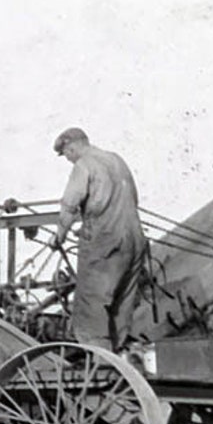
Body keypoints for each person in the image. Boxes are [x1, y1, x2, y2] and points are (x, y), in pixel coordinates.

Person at [50, 127, 147, 351]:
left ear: (71, 147)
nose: (68, 159)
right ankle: (116, 355)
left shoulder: (83, 165)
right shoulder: (116, 160)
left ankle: (98, 360)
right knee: (121, 301)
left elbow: (70, 203)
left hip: (106, 240)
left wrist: (59, 235)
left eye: (66, 154)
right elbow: (132, 199)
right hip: (135, 238)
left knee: (90, 302)